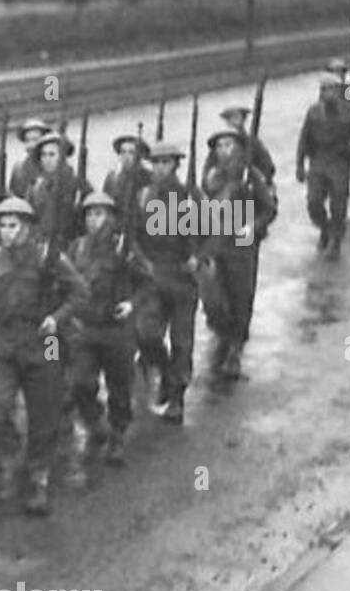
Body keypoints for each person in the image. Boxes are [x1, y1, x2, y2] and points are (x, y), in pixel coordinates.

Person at [0, 197, 88, 516]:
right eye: (2, 225)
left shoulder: (49, 259)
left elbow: (80, 293)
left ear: (27, 228)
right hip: (4, 347)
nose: (7, 232)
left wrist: (58, 318)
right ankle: (15, 458)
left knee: (44, 417)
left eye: (13, 225)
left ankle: (38, 476)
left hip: (43, 343)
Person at [66, 191, 152, 466]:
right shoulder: (77, 248)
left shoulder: (124, 247)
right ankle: (94, 419)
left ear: (112, 218)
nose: (94, 220)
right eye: (90, 214)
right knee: (79, 382)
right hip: (86, 328)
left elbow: (147, 282)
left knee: (119, 387)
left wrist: (132, 304)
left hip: (116, 330)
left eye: (100, 214)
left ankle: (117, 435)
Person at [199, 127, 277, 379]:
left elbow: (268, 209)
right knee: (213, 299)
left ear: (239, 148)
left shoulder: (251, 175)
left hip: (241, 248)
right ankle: (223, 331)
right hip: (215, 245)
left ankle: (234, 348)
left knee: (241, 297)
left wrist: (252, 226)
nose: (224, 151)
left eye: (229, 145)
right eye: (219, 146)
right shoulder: (211, 177)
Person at [134, 142, 200, 423]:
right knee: (146, 333)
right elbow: (132, 233)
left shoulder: (189, 197)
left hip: (183, 278)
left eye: (166, 163)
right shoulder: (144, 196)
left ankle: (177, 397)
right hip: (153, 277)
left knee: (182, 341)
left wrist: (199, 255)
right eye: (156, 163)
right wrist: (141, 260)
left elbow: (215, 232)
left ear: (176, 165)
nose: (160, 168)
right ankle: (164, 370)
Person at [295, 73, 350, 261]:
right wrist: (300, 165)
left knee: (339, 205)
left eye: (331, 89)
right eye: (323, 90)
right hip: (318, 160)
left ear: (338, 91)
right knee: (313, 203)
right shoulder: (314, 112)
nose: (327, 94)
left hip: (339, 162)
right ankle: (325, 228)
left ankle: (334, 242)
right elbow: (303, 139)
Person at [8, 117, 51, 199]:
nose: (31, 145)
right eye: (27, 140)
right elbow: (13, 197)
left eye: (35, 140)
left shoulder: (54, 166)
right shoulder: (18, 168)